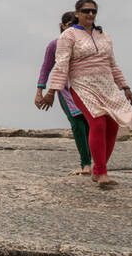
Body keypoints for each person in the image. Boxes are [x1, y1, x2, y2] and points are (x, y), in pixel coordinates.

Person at [44, 0, 132, 188]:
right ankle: (102, 173)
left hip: (106, 86)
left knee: (113, 125)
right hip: (82, 86)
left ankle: (97, 170)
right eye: (86, 11)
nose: (90, 15)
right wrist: (51, 91)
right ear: (77, 13)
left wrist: (125, 87)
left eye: (93, 11)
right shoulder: (68, 36)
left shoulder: (103, 35)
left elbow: (112, 64)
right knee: (97, 123)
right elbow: (61, 64)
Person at [36, 12, 91, 176]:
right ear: (62, 26)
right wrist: (40, 92)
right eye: (70, 24)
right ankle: (86, 164)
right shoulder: (55, 45)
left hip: (87, 88)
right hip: (66, 90)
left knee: (91, 125)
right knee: (77, 124)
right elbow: (46, 68)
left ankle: (94, 162)